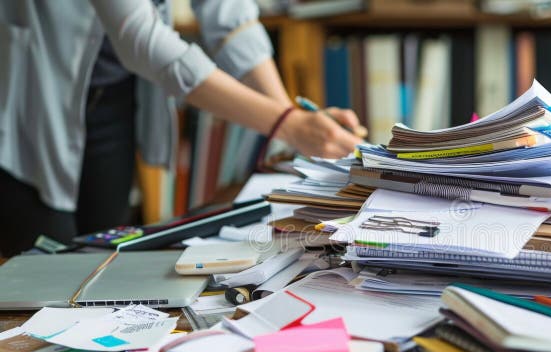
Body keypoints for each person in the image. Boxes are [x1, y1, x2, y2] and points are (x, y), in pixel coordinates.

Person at [0, 1, 363, 256]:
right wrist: (287, 124)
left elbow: (230, 14)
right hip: (29, 102)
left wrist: (290, 117)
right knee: (47, 274)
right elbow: (140, 38)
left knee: (102, 258)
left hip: (112, 100)